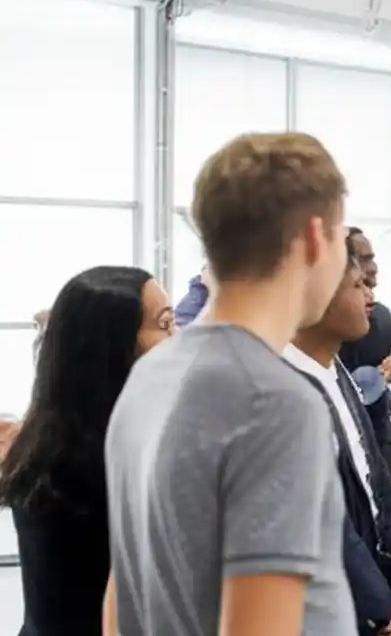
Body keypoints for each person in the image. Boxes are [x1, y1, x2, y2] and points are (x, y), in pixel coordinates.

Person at [103, 132, 355, 635]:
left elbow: (121, 593)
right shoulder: (273, 401)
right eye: (341, 238)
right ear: (313, 238)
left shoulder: (151, 375)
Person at [0, 267, 172, 636]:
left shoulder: (44, 443)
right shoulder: (106, 463)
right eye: (165, 324)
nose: (179, 337)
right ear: (114, 348)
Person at [284, 237, 391, 636]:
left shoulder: (337, 371)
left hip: (376, 596)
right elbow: (321, 523)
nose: (370, 292)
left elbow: (380, 486)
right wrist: (382, 609)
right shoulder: (282, 389)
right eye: (357, 284)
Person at [340, 227, 391, 474]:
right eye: (363, 259)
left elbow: (387, 363)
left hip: (377, 434)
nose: (373, 268)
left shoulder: (382, 318)